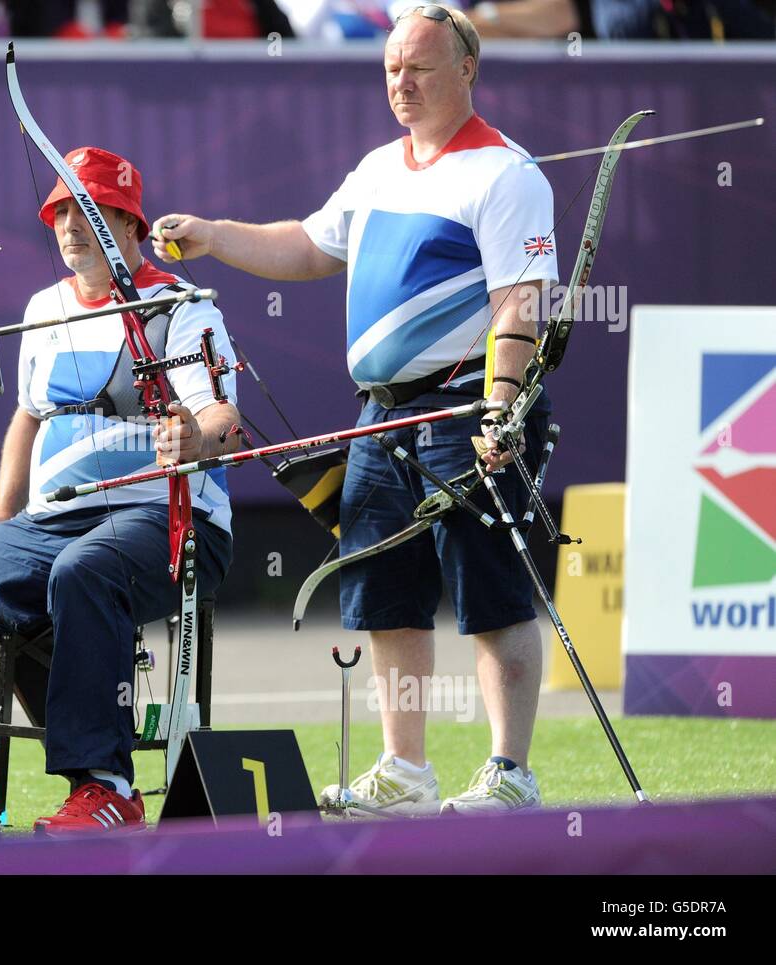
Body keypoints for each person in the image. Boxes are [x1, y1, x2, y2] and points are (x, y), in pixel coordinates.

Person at [152, 5, 557, 814]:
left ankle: (511, 773)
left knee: (493, 595)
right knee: (386, 596)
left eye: (420, 69)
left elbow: (520, 305)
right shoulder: (379, 168)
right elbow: (307, 245)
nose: (400, 83)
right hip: (380, 417)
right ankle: (405, 772)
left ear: (467, 70)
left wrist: (502, 406)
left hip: (463, 412)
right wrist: (213, 235)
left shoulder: (506, 175)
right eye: (391, 70)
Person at [0, 147, 240, 835]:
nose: (69, 226)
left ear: (132, 226)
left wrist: (194, 442)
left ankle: (108, 785)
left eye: (90, 211)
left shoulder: (179, 304)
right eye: (60, 212)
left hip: (168, 517)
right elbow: (27, 417)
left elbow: (223, 418)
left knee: (84, 572)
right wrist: (0, 513)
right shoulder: (41, 307)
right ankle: (63, 761)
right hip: (58, 517)